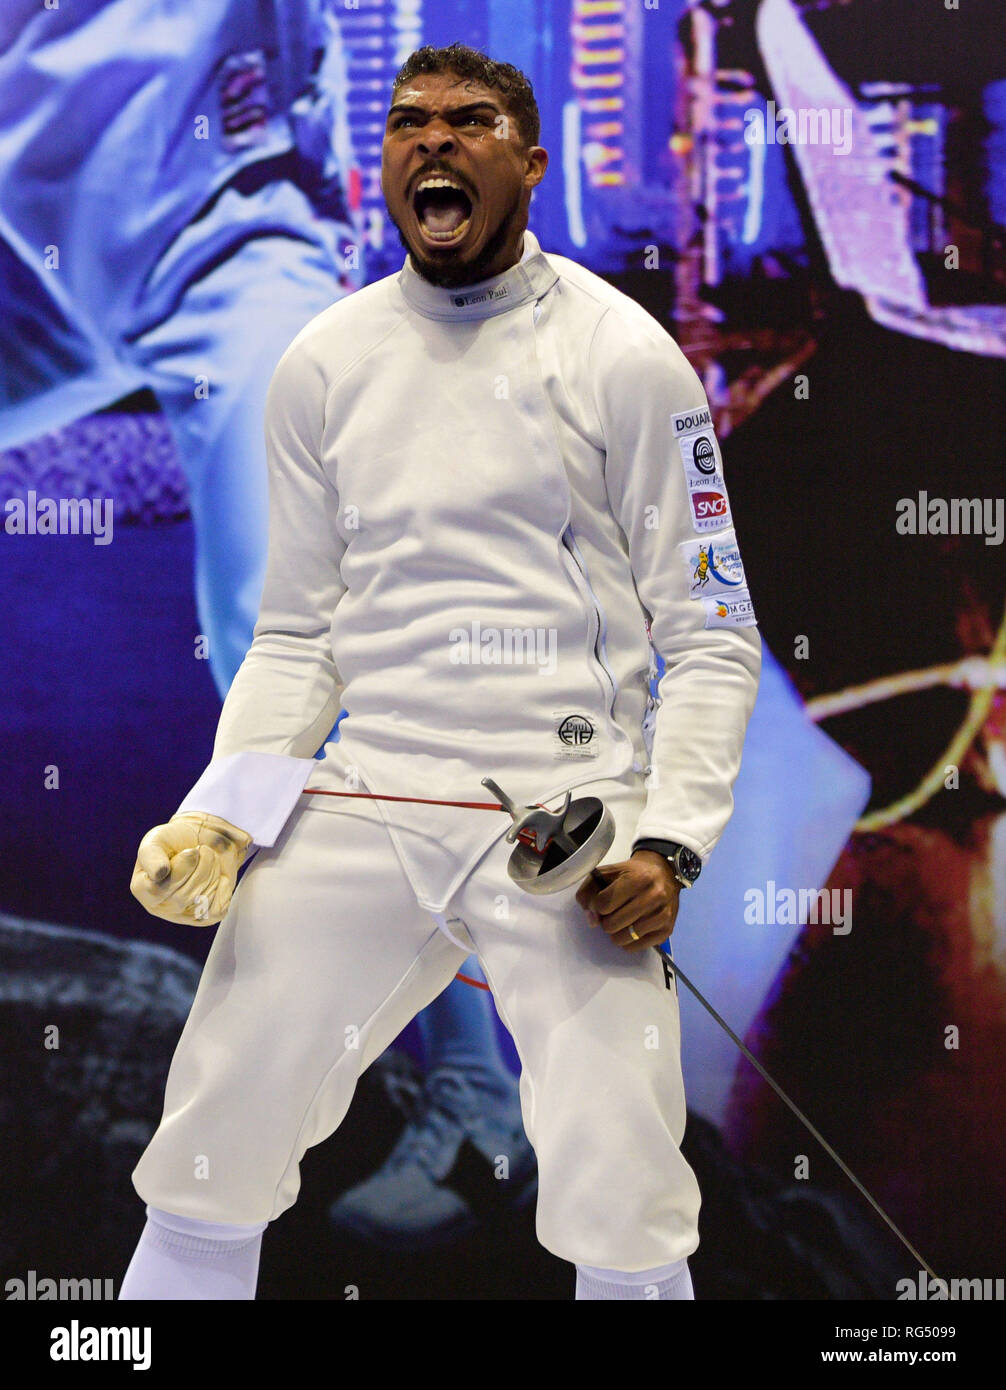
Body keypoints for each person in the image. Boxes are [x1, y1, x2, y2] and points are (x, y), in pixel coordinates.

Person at [122, 42, 761, 1301]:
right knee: (210, 1133)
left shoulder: (625, 359)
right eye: (410, 121)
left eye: (470, 122)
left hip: (566, 807)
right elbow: (298, 635)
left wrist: (671, 842)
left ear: (526, 163)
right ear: (386, 161)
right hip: (370, 788)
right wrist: (222, 814)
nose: (434, 141)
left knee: (622, 1172)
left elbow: (711, 633)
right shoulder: (323, 364)